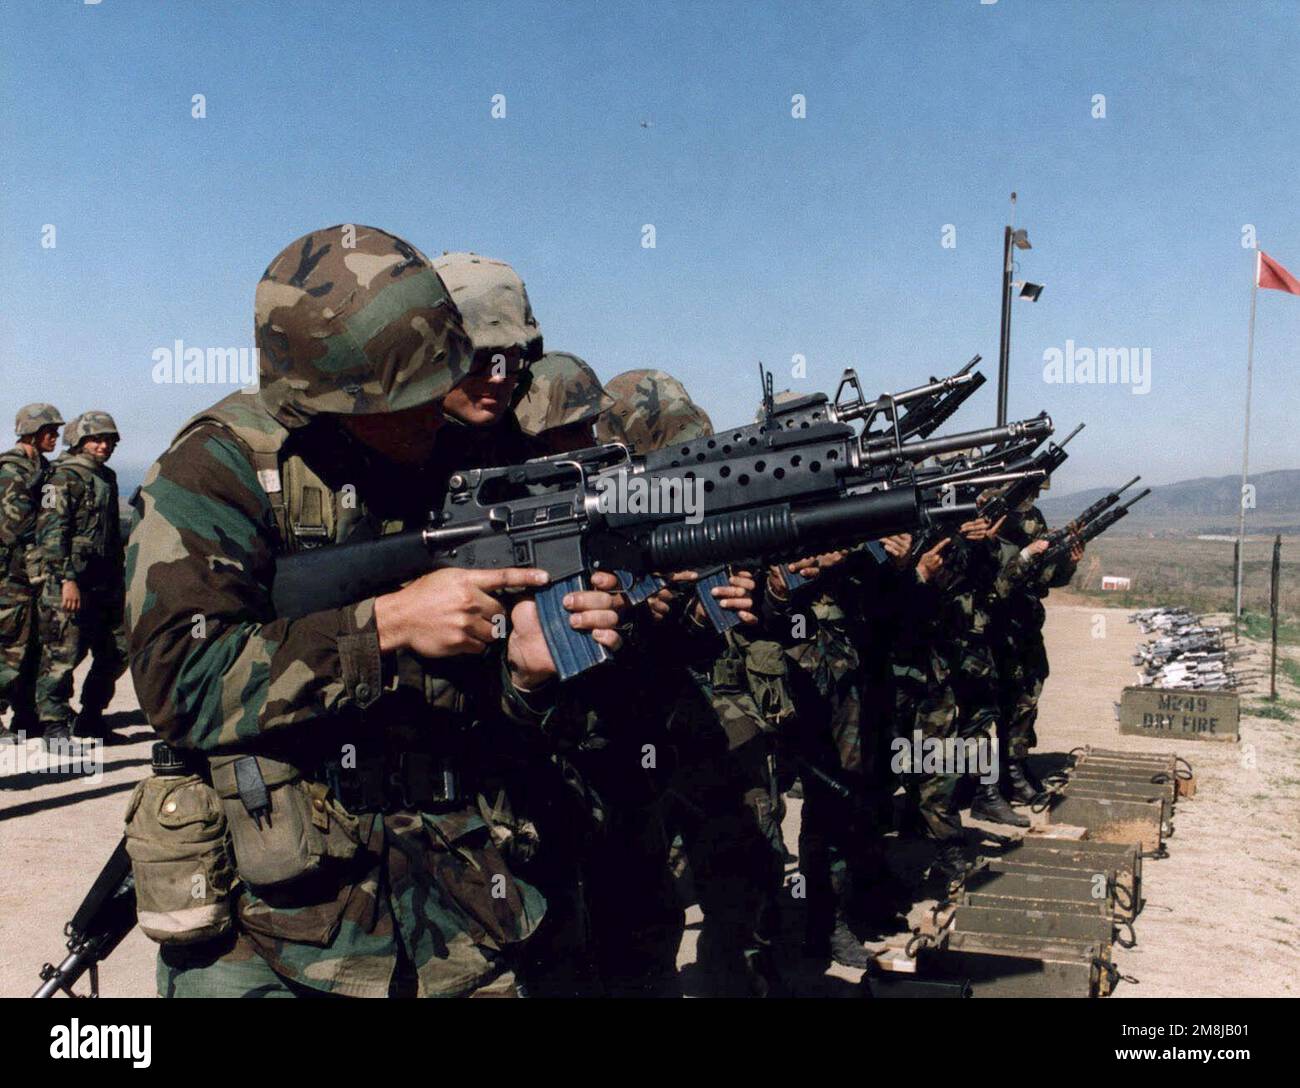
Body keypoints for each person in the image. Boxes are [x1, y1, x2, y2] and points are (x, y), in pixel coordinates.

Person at [126, 225, 625, 998]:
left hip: (460, 906)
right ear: (329, 402)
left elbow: (490, 708)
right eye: (411, 396)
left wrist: (525, 673)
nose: (438, 410)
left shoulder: (457, 464)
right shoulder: (219, 468)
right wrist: (385, 626)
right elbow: (178, 682)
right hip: (280, 924)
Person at [34, 410, 128, 746]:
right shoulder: (62, 477)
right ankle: (53, 723)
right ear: (79, 440)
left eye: (109, 440)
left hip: (104, 579)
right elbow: (51, 533)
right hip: (70, 579)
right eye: (96, 439)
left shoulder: (107, 477)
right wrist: (66, 580)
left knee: (117, 647)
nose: (104, 446)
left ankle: (90, 717)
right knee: (63, 651)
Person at [0, 402, 64, 741]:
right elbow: (13, 528)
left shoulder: (41, 468)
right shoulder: (13, 471)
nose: (55, 437)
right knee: (9, 644)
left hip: (31, 571)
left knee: (34, 643)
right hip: (10, 574)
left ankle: (26, 715)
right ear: (33, 433)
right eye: (50, 432)